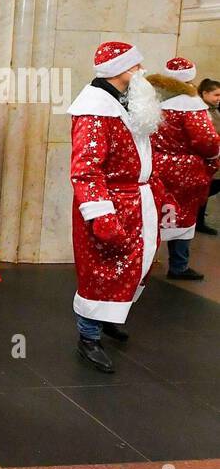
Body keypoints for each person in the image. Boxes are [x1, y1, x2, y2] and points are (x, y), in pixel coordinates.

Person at [69, 41, 165, 373]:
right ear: (122, 70)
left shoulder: (124, 101)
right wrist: (101, 215)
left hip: (137, 202)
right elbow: (86, 169)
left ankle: (112, 317)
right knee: (101, 271)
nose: (141, 71)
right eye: (137, 66)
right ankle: (88, 337)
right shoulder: (95, 109)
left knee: (132, 267)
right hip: (111, 205)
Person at [149, 57, 219, 280]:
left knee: (152, 215)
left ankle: (144, 265)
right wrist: (213, 159)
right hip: (184, 169)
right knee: (183, 216)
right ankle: (179, 266)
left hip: (155, 165)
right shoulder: (192, 106)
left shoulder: (152, 100)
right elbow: (206, 141)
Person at [198, 78, 220, 234]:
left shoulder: (214, 109)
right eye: (216, 94)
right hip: (206, 157)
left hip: (215, 153)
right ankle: (198, 218)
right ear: (205, 93)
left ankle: (198, 213)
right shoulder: (201, 110)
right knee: (208, 186)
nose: (219, 98)